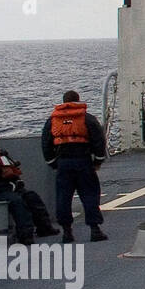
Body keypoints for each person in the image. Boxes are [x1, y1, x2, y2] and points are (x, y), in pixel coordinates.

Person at [39, 91, 109, 243]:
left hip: (63, 164)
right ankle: (95, 230)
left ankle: (67, 232)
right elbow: (98, 141)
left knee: (63, 197)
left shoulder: (53, 120)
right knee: (90, 194)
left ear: (63, 102)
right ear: (78, 101)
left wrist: (53, 163)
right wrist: (98, 161)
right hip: (83, 162)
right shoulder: (87, 118)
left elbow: (46, 143)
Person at [0, 133, 59, 241]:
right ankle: (25, 235)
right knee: (17, 202)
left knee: (31, 196)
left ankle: (45, 228)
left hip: (7, 188)